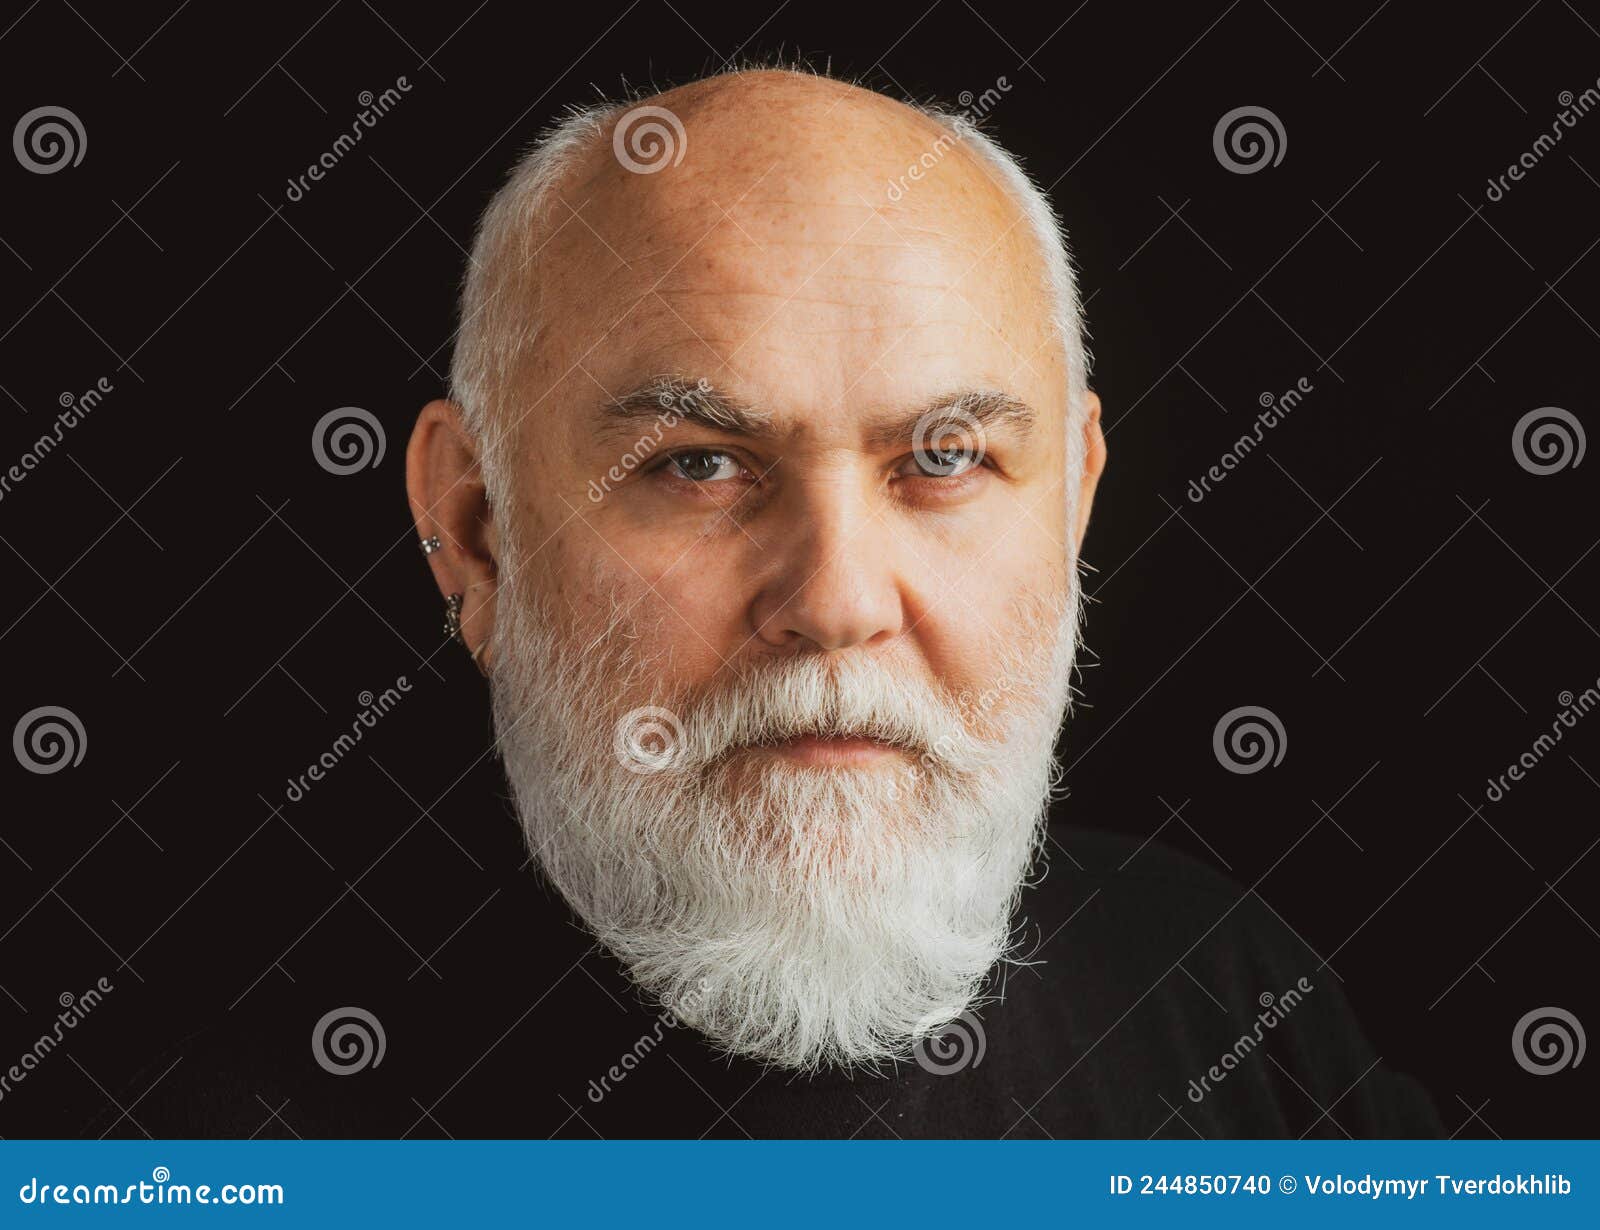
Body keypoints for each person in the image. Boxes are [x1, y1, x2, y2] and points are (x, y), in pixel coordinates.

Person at [97, 66, 1440, 1138]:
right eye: (699, 466)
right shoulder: (188, 1135)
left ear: (1074, 501)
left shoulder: (1216, 994)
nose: (839, 601)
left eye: (948, 459)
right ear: (474, 528)